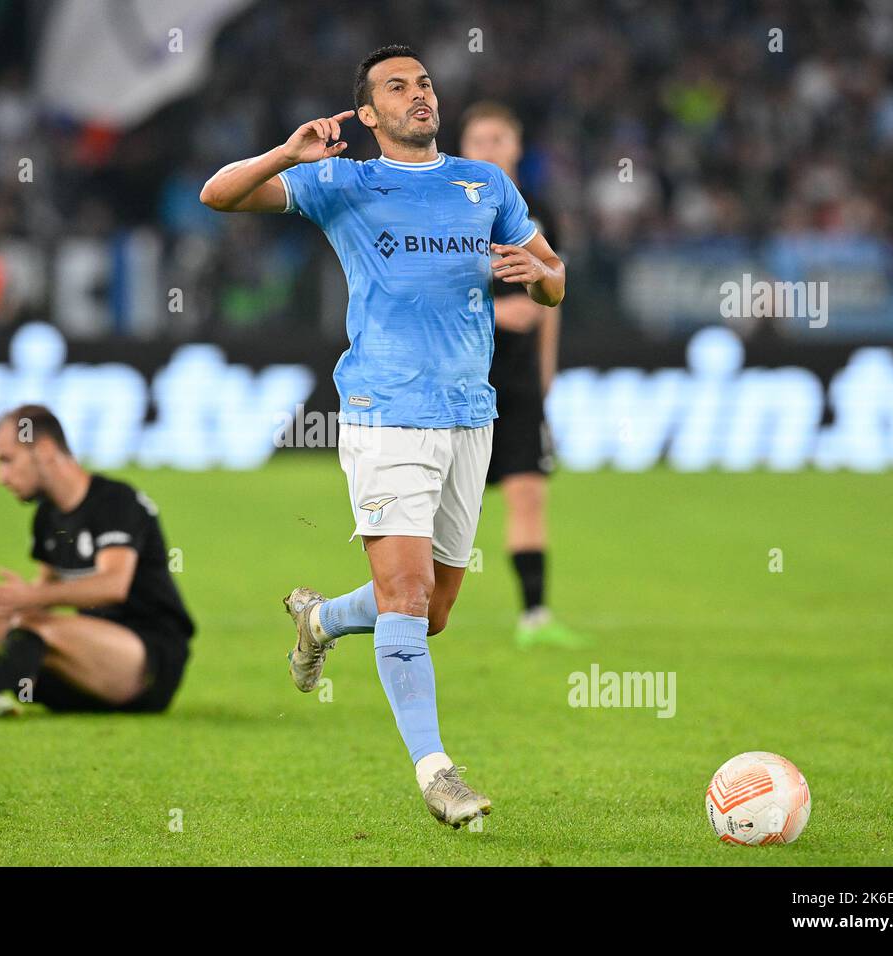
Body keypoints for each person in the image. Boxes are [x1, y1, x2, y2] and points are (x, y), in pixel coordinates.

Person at [199, 45, 564, 828]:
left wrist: (541, 278)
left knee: (432, 611)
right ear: (367, 113)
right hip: (384, 411)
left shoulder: (485, 184)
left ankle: (321, 620)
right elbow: (218, 194)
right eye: (397, 87)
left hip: (471, 416)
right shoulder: (345, 181)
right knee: (404, 595)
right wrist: (287, 153)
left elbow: (555, 275)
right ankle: (438, 774)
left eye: (424, 83)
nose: (418, 94)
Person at [0, 405, 195, 721]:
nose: (1, 477)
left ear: (45, 451)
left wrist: (29, 596)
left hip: (147, 666)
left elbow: (113, 585)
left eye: (7, 460)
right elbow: (44, 597)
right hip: (85, 666)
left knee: (35, 626)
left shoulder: (116, 502)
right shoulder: (48, 517)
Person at [460, 101, 585, 649]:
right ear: (463, 149)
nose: (489, 148)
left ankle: (535, 615)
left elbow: (553, 293)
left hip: (518, 379)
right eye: (479, 140)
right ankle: (409, 608)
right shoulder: (445, 206)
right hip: (461, 376)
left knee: (528, 492)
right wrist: (492, 311)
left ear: (516, 147)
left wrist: (546, 370)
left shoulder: (538, 212)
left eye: (499, 139)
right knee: (443, 504)